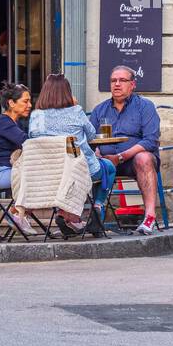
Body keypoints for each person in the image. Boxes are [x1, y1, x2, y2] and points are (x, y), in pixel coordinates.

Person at [27, 73, 114, 239]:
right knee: (108, 167)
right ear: (67, 93)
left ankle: (65, 214)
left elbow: (33, 140)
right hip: (78, 172)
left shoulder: (36, 116)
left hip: (50, 174)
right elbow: (91, 136)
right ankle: (97, 209)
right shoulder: (76, 111)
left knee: (72, 176)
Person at [89, 65, 161, 235]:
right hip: (106, 162)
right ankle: (81, 217)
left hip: (134, 160)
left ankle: (149, 216)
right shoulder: (100, 110)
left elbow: (151, 140)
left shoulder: (145, 106)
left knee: (144, 158)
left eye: (122, 80)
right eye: (114, 80)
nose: (117, 84)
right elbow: (89, 140)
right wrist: (95, 151)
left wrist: (121, 157)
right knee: (83, 161)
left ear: (132, 85)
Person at [0, 81, 37, 238]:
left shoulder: (12, 123)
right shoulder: (4, 122)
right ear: (11, 103)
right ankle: (15, 213)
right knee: (35, 179)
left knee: (39, 178)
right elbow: (26, 142)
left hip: (6, 171)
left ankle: (18, 213)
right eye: (25, 101)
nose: (30, 105)